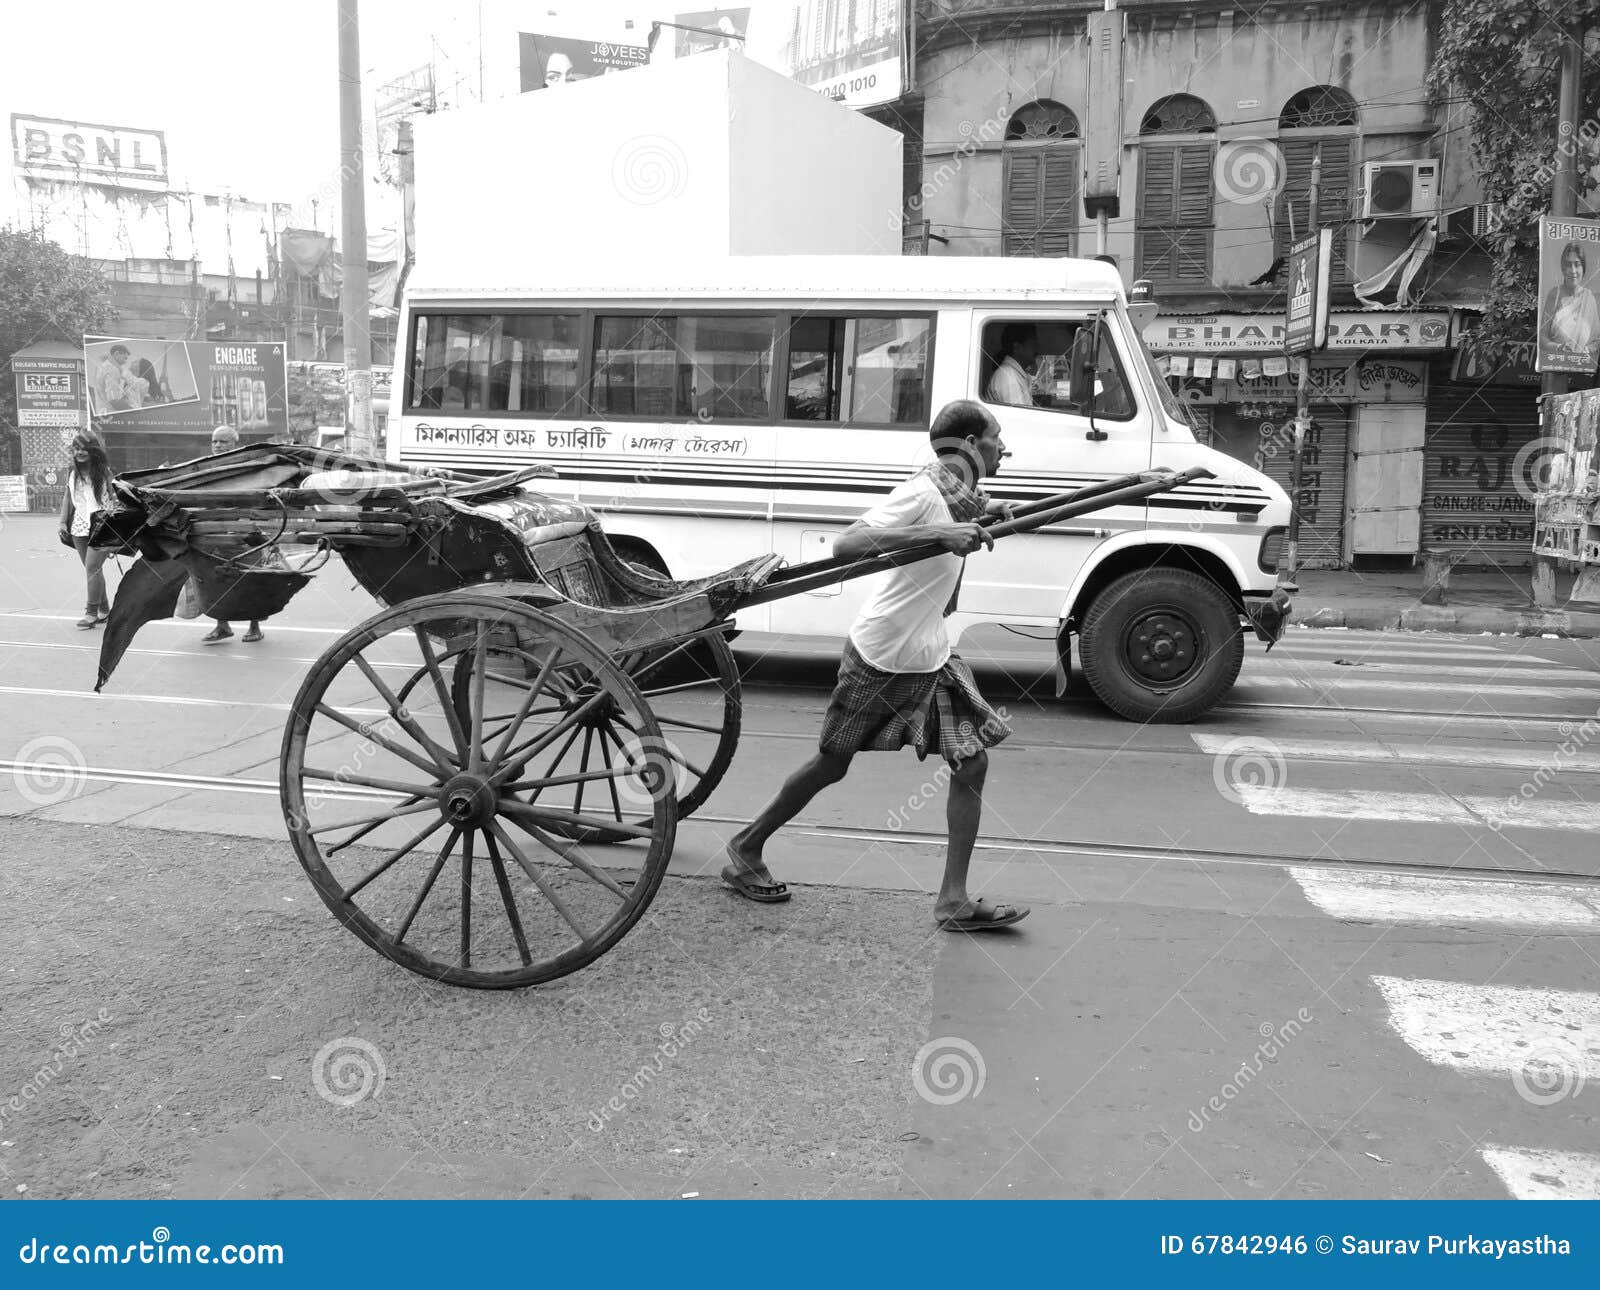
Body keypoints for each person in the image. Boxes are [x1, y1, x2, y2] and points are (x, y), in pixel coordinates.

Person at [720, 400, 1029, 932]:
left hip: (930, 653)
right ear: (972, 444)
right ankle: (747, 845)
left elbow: (953, 520)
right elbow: (847, 544)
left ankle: (952, 901)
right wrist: (939, 536)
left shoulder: (955, 494)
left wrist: (982, 516)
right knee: (831, 763)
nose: (1006, 448)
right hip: (884, 655)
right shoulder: (922, 491)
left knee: (972, 762)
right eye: (998, 437)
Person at [200, 425, 263, 645]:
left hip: (244, 531)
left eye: (223, 442)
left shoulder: (246, 466)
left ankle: (255, 626)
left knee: (250, 579)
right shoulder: (206, 467)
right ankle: (222, 626)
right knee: (217, 579)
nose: (217, 445)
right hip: (214, 530)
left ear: (235, 444)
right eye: (214, 441)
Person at [57, 431, 115, 629]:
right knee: (93, 570)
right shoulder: (72, 472)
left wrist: (117, 530)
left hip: (102, 526)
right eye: (77, 448)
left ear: (93, 451)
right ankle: (105, 610)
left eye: (85, 449)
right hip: (79, 527)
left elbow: (115, 499)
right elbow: (67, 497)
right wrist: (63, 522)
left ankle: (91, 613)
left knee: (92, 568)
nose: (80, 452)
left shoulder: (104, 472)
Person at [1542, 242, 1600, 360]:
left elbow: (1597, 340)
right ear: (1563, 269)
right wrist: (1559, 348)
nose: (1573, 270)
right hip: (1558, 364)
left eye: (1577, 264)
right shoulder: (1555, 294)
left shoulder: (1589, 298)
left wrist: (1587, 350)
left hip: (1584, 366)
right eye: (1568, 265)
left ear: (1583, 268)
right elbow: (1542, 337)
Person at [986, 325, 1037, 406]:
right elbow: (1018, 417)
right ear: (1017, 347)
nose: (1036, 349)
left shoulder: (1015, 374)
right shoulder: (1008, 377)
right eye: (1032, 344)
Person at [95, 344, 133, 414]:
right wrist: (133, 411)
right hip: (112, 412)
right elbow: (114, 399)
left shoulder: (102, 367)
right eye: (125, 358)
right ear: (116, 354)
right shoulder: (112, 369)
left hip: (102, 411)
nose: (125, 362)